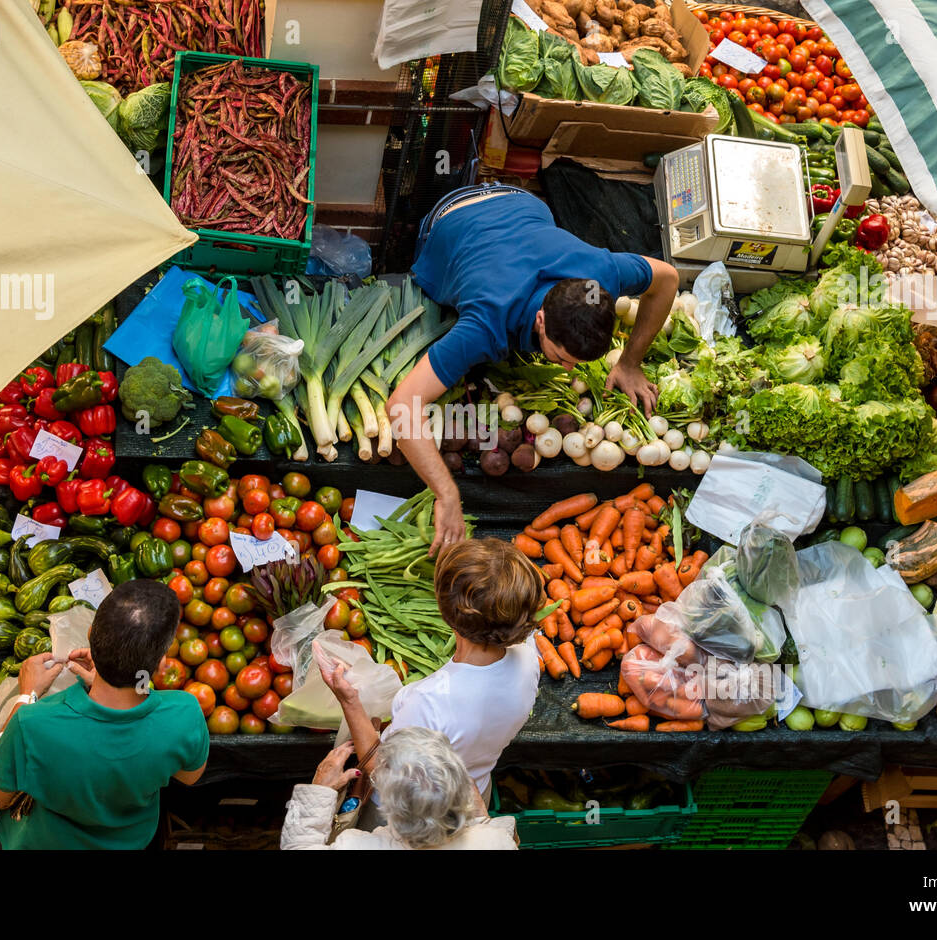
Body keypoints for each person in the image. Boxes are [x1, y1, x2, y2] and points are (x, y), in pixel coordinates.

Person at [389, 183, 680, 553]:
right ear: (540, 320)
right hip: (450, 218)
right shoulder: (486, 322)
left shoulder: (601, 275)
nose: (566, 368)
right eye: (560, 357)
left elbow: (668, 278)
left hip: (518, 198)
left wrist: (630, 362)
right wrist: (446, 494)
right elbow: (401, 405)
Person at [0, 580, 210, 849]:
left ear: (90, 634)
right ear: (161, 663)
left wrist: (26, 696)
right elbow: (189, 776)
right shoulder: (185, 714)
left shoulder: (32, 723)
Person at [320, 538, 543, 806]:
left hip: (415, 813)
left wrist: (348, 700)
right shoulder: (529, 658)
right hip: (472, 794)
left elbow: (384, 773)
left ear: (446, 611)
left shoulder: (430, 701)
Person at [280, 729, 518, 849]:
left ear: (391, 808)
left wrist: (319, 789)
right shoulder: (497, 841)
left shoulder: (356, 845)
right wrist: (481, 821)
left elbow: (299, 846)